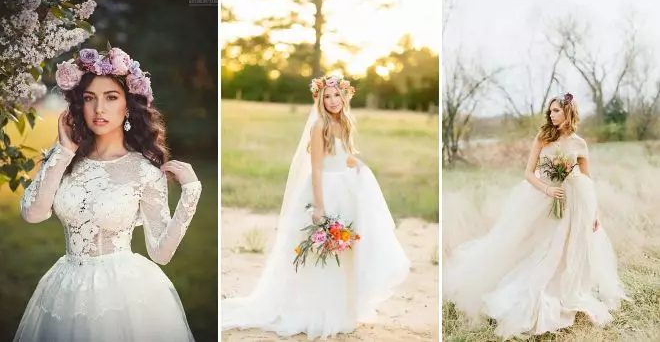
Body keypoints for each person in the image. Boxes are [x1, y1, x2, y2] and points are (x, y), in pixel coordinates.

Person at [14, 47, 201, 341]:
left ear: (128, 106)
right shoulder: (64, 158)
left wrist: (191, 192)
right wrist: (63, 151)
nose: (99, 109)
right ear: (79, 106)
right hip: (64, 287)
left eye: (111, 97)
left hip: (122, 293)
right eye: (90, 98)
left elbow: (161, 254)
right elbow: (33, 214)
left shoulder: (144, 170)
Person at [221, 74, 410, 340]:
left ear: (345, 96)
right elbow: (318, 167)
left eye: (336, 96)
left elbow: (342, 157)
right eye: (327, 97)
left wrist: (357, 165)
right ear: (320, 100)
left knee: (344, 247)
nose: (333, 101)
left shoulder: (344, 122)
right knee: (322, 250)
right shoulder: (319, 126)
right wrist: (319, 205)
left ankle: (341, 308)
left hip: (346, 189)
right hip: (325, 190)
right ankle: (316, 311)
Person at [443, 93, 630, 339]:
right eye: (550, 111)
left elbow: (586, 178)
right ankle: (529, 290)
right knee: (536, 246)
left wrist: (594, 212)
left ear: (568, 113)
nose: (552, 115)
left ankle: (563, 292)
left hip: (573, 201)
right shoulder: (543, 137)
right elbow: (528, 173)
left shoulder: (579, 144)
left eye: (556, 111)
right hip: (542, 198)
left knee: (565, 248)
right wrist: (548, 189)